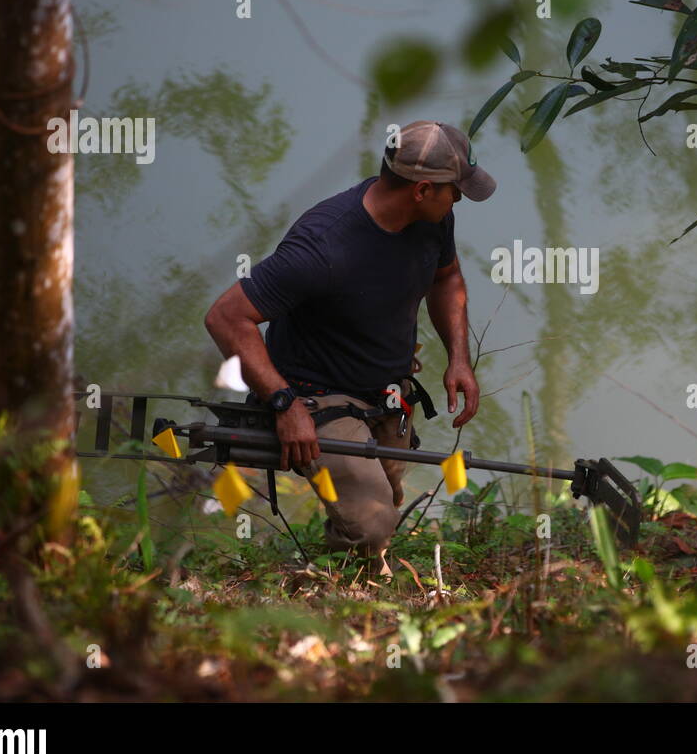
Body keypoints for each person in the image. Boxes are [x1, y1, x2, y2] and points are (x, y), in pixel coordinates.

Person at [204, 120, 495, 574]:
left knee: (386, 502)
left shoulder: (433, 219)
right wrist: (284, 405)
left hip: (388, 392)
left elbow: (446, 277)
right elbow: (225, 317)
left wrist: (458, 358)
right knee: (374, 523)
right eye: (454, 191)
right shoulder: (322, 246)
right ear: (421, 189)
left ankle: (341, 576)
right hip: (317, 396)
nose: (458, 199)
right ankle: (332, 597)